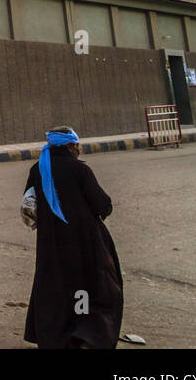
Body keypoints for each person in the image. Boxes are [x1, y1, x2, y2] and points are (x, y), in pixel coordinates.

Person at [23, 126, 124, 349]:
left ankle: (54, 336)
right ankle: (87, 334)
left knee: (56, 289)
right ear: (70, 146)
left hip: (51, 245)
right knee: (95, 288)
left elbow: (29, 207)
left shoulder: (37, 170)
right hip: (85, 242)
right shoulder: (79, 170)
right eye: (77, 146)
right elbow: (102, 205)